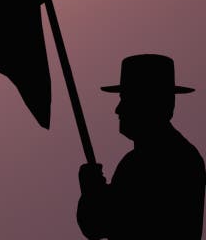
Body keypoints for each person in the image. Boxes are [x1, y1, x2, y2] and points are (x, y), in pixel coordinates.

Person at [77, 54, 204, 239]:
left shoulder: (143, 164)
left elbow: (97, 224)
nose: (118, 109)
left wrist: (92, 191)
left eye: (126, 99)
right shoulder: (184, 157)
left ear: (149, 103)